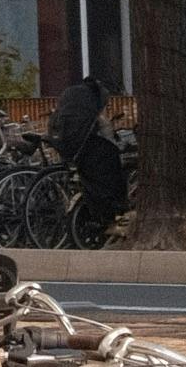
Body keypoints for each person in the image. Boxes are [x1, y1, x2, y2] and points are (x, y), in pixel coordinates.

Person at [49, 63, 127, 239]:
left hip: (66, 143)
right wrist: (114, 142)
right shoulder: (95, 100)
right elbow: (104, 126)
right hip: (86, 147)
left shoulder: (73, 96)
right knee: (109, 166)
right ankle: (110, 216)